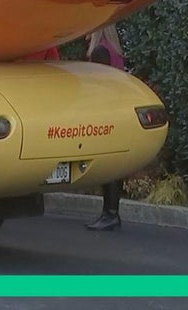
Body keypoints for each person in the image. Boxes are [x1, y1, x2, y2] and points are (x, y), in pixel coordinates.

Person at [84, 24, 126, 232]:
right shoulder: (115, 50)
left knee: (107, 167)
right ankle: (111, 213)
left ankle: (110, 213)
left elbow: (99, 84)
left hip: (107, 113)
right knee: (114, 166)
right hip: (119, 111)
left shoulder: (100, 50)